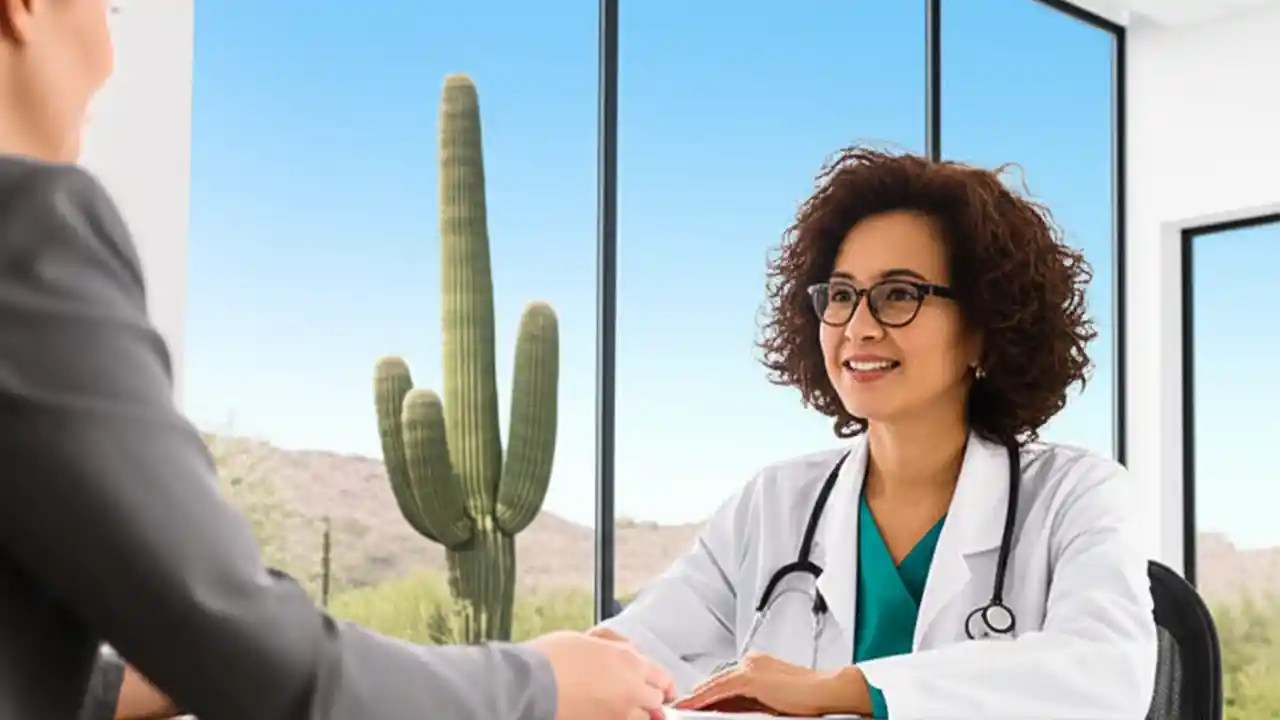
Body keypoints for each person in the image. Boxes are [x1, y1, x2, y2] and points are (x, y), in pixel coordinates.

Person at [0, 1, 674, 718]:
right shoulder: (28, 232)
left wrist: (182, 654)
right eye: (107, 5)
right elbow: (253, 652)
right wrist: (541, 682)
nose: (111, 52)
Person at [589, 146, 1159, 718]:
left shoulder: (1074, 494)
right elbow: (638, 654)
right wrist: (532, 675)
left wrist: (841, 690)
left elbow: (1106, 678)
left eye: (898, 295)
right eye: (840, 295)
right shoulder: (776, 503)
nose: (859, 327)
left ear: (985, 329)